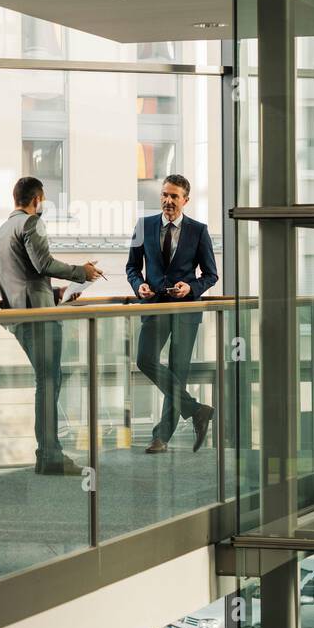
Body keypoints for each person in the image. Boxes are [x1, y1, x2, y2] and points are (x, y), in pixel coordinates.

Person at [0, 176, 104, 475]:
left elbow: (23, 274)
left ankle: (47, 453)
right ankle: (50, 455)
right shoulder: (31, 224)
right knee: (49, 381)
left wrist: (53, 293)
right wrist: (83, 271)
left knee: (49, 379)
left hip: (19, 316)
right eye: (42, 201)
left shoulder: (1, 232)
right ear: (37, 200)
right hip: (38, 317)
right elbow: (43, 263)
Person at [126, 174, 218, 454]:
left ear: (185, 200)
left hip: (185, 311)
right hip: (155, 307)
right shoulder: (144, 225)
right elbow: (132, 267)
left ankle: (161, 437)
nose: (167, 200)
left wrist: (189, 287)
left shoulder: (198, 230)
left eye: (174, 196)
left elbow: (211, 275)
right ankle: (196, 409)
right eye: (165, 195)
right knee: (145, 359)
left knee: (178, 373)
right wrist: (138, 284)